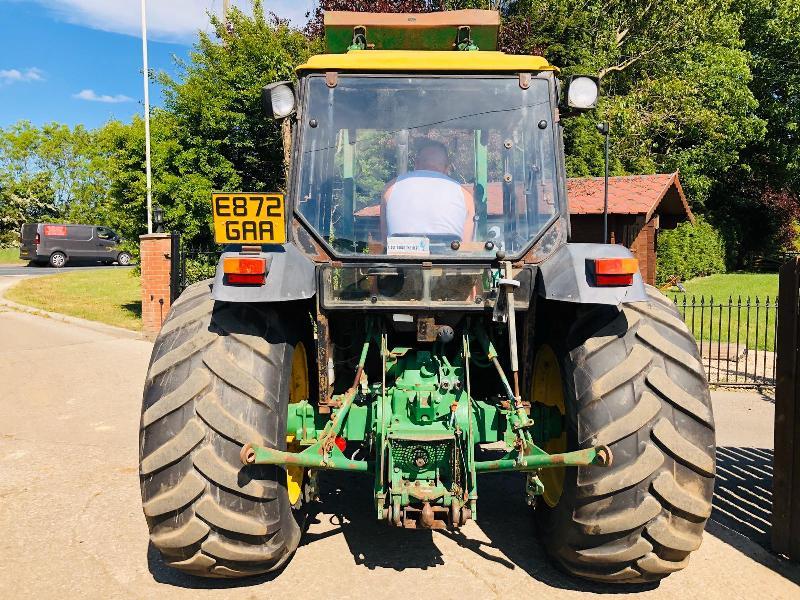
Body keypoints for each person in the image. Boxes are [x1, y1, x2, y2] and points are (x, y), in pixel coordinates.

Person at [381, 139, 475, 243]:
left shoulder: (390, 189)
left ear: (416, 163)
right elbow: (466, 248)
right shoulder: (466, 196)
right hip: (449, 258)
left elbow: (385, 242)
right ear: (447, 168)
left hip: (399, 258)